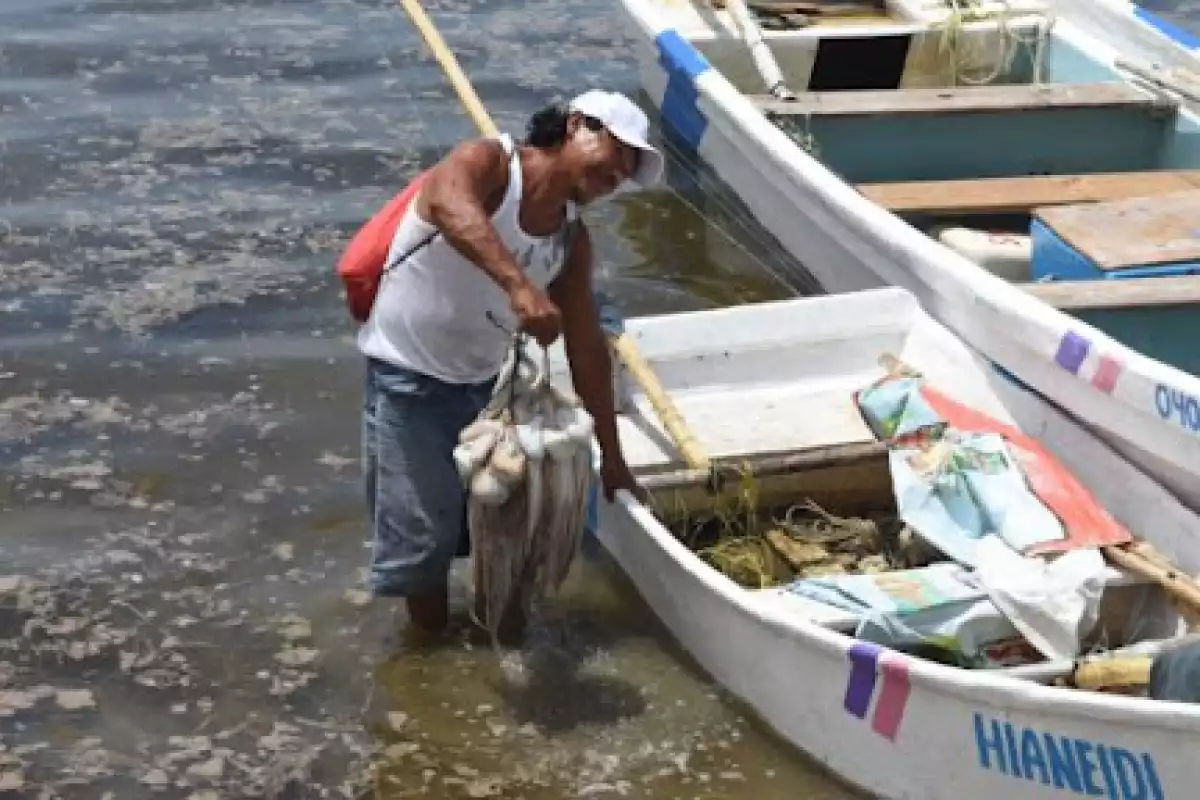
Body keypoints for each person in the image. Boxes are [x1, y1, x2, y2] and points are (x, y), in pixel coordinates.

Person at [357, 89, 664, 637]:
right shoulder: (490, 164)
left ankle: (493, 640)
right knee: (422, 544)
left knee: (500, 532)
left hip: (487, 390)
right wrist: (520, 286)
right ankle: (426, 660)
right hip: (409, 379)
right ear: (576, 125)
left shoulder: (571, 238)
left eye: (627, 173)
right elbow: (449, 204)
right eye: (615, 154)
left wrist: (611, 457)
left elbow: (587, 345)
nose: (617, 174)